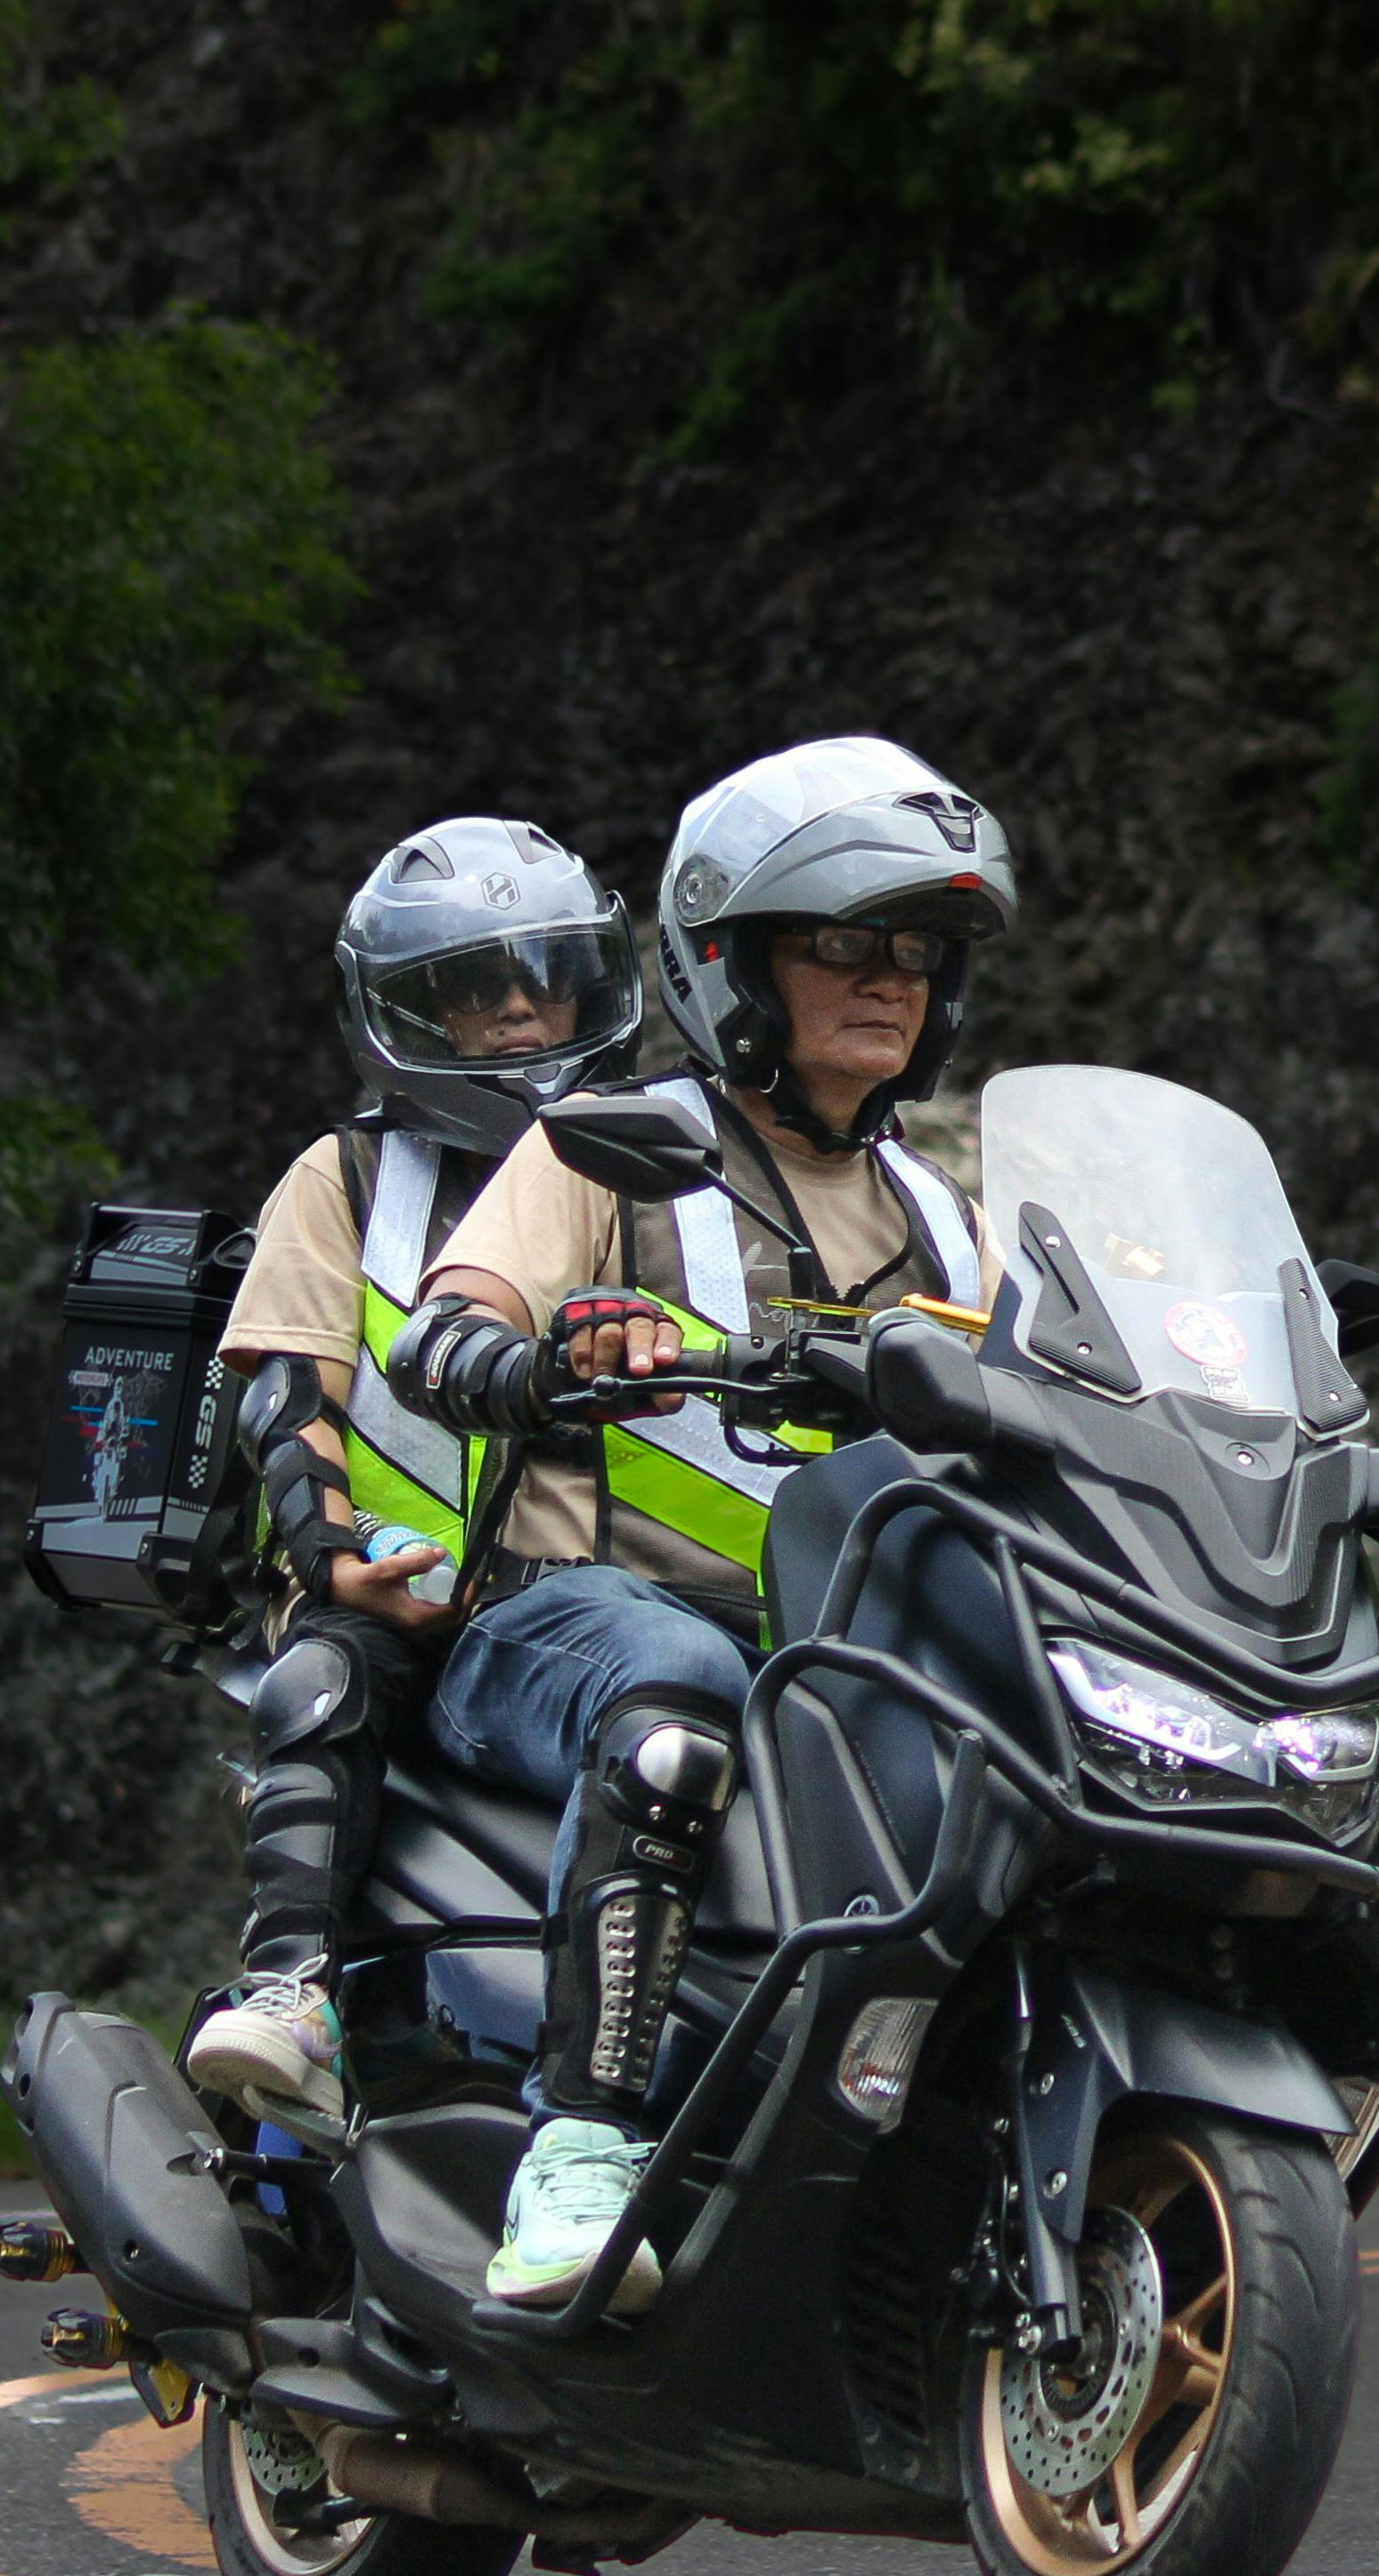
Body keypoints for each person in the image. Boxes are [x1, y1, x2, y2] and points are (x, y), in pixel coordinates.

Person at [386, 736, 1015, 2305]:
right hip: (568, 1621)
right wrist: (543, 1356)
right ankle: (580, 2153)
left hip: (840, 1650)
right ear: (730, 959)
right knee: (678, 1710)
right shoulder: (608, 1144)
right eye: (847, 944)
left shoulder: (947, 1211)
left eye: (920, 957)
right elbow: (436, 1331)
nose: (892, 984)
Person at [185, 815, 641, 2130]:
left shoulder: (655, 1169)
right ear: (402, 1010)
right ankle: (288, 1981)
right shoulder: (344, 1179)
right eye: (469, 986)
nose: (516, 1011)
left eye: (544, 976)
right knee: (327, 1671)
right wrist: (335, 1557)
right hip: (399, 1589)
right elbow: (284, 1393)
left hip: (594, 1608)